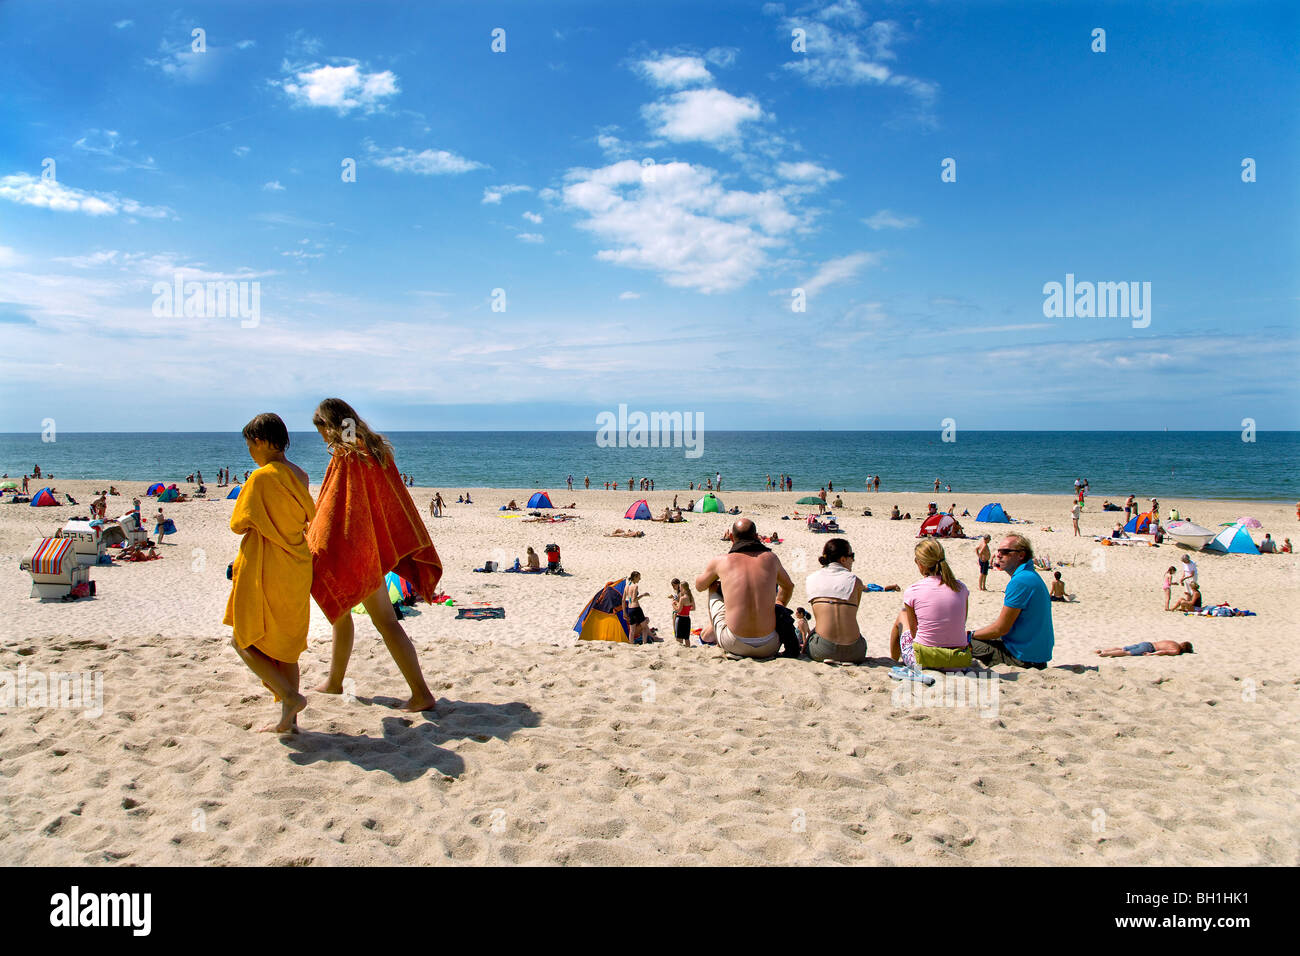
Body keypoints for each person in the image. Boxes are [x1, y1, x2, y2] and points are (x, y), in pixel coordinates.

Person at [307, 398, 440, 712]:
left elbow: (337, 506)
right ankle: (336, 682)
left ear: (332, 425)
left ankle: (420, 693)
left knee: (368, 619)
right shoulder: (375, 450)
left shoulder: (348, 455)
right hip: (369, 549)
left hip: (353, 551)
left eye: (323, 430)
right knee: (373, 621)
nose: (323, 438)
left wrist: (316, 536)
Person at [224, 412, 315, 734]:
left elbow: (238, 524)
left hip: (265, 565)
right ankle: (288, 723)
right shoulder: (300, 475)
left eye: (250, 444)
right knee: (288, 648)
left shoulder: (261, 478)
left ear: (260, 441)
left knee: (243, 639)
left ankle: (290, 698)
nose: (250, 450)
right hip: (296, 565)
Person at [695, 519, 793, 659]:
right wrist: (780, 604)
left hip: (734, 643)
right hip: (770, 645)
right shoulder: (771, 558)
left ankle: (710, 634)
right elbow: (789, 586)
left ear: (731, 538)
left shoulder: (722, 560)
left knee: (713, 585)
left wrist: (716, 575)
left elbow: (699, 586)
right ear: (756, 536)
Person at [968, 534, 1054, 669]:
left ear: (1021, 555)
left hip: (1022, 659)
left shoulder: (1020, 581)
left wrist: (969, 634)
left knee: (961, 642)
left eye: (1005, 552)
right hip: (1035, 654)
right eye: (998, 551)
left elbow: (1000, 629)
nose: (998, 555)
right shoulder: (1030, 575)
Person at [888, 538, 969, 670]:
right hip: (958, 661)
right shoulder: (961, 588)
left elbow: (914, 633)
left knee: (902, 615)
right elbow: (962, 621)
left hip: (926, 660)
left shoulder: (913, 590)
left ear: (920, 564)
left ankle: (893, 661)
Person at [804, 538, 867, 663]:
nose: (853, 560)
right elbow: (853, 612)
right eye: (852, 556)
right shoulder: (856, 581)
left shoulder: (811, 579)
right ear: (843, 559)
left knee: (813, 634)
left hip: (823, 650)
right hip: (855, 651)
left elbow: (819, 617)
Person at [623, 571, 649, 644]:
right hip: (636, 608)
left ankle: (631, 644)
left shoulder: (626, 586)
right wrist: (643, 595)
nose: (640, 579)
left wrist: (624, 612)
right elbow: (634, 599)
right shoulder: (635, 586)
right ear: (634, 577)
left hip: (630, 609)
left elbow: (623, 600)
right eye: (639, 577)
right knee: (644, 627)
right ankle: (644, 643)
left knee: (632, 630)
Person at [1096, 640, 1193, 657]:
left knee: (1123, 648)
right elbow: (1163, 651)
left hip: (1148, 643)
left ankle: (1105, 650)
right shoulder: (1176, 650)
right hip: (1150, 648)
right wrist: (1151, 654)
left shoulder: (1173, 642)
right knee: (1127, 653)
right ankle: (1106, 654)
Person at [671, 579, 695, 646]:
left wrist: (673, 604)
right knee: (687, 638)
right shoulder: (690, 597)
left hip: (680, 619)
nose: (679, 589)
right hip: (687, 619)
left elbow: (678, 610)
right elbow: (693, 608)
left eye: (680, 587)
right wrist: (685, 609)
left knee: (679, 639)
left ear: (683, 588)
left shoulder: (682, 598)